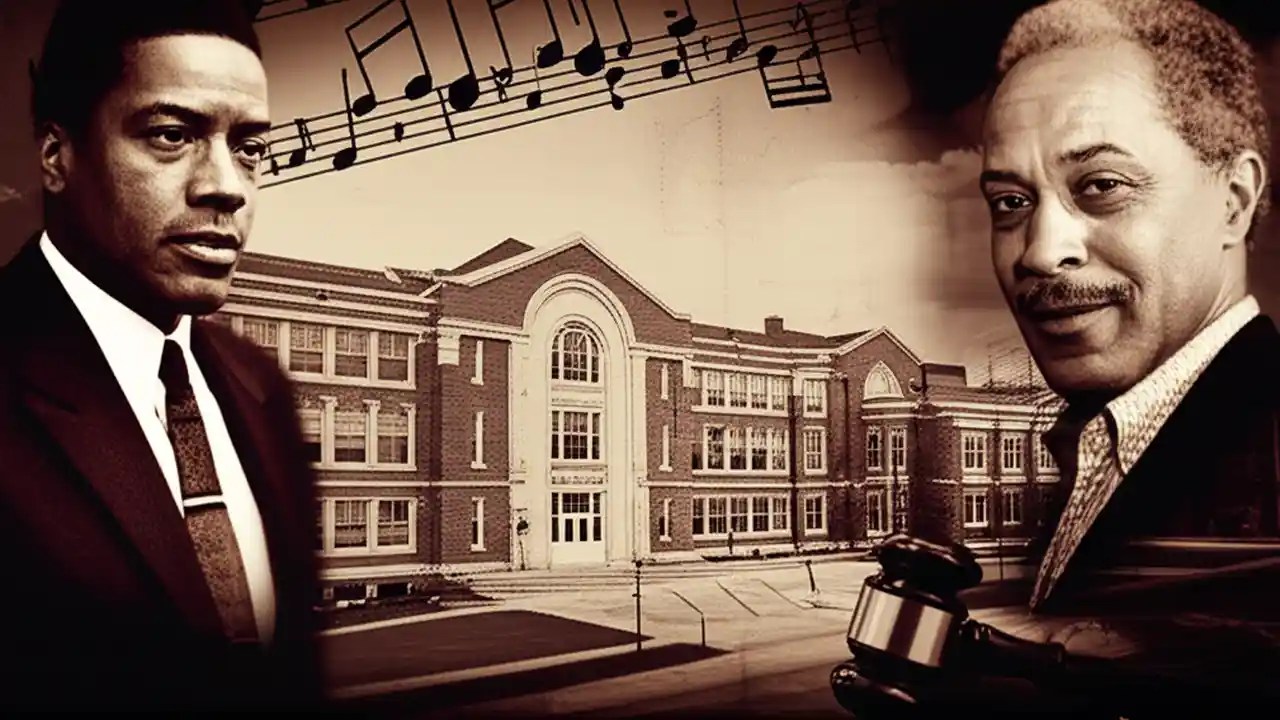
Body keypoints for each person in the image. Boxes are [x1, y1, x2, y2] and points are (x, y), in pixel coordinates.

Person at [0, 0, 323, 711]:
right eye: (173, 134)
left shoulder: (262, 390)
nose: (228, 187)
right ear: (57, 155)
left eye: (251, 148)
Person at [972, 0, 1280, 714]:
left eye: (1102, 186)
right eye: (1012, 202)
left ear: (1233, 202)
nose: (1042, 252)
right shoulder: (1101, 441)